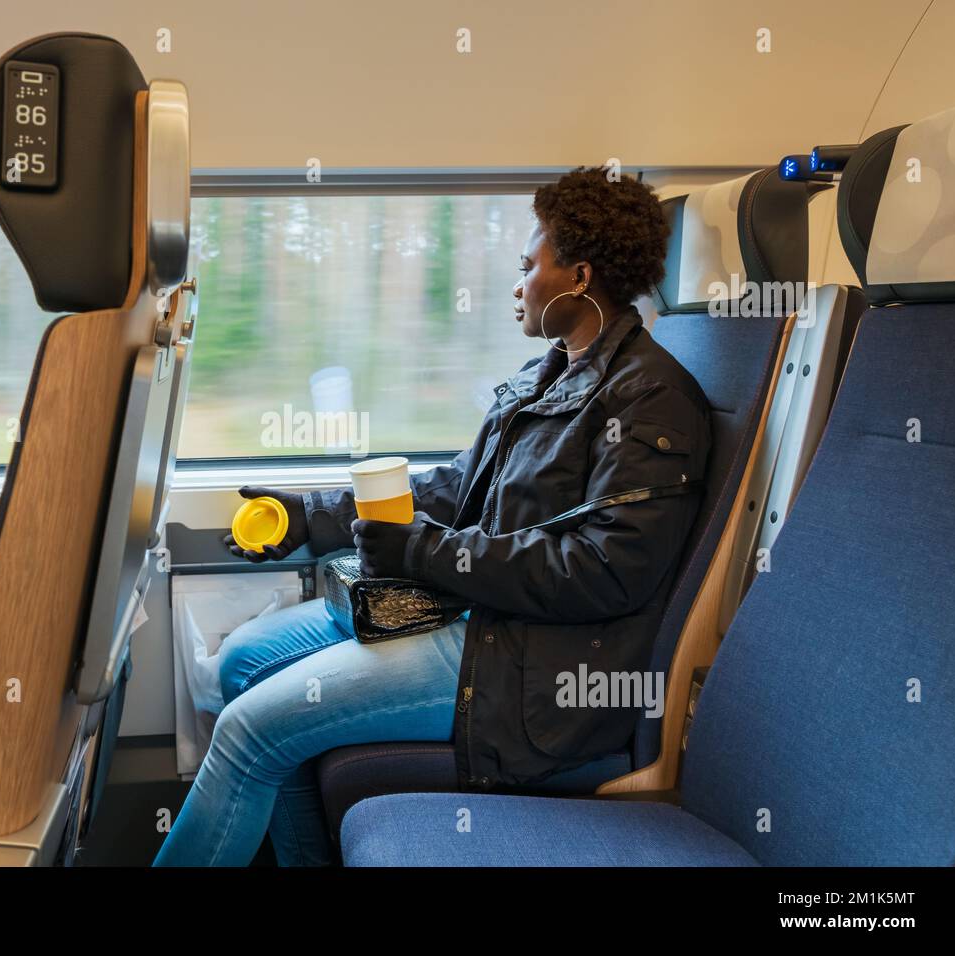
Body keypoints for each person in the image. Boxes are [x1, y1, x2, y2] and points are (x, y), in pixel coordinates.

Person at [153, 167, 712, 866]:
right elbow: (451, 491)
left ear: (579, 275)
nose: (517, 285)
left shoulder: (649, 399)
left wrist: (424, 555)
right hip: (464, 610)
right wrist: (311, 518)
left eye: (526, 266)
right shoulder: (550, 375)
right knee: (241, 664)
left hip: (529, 663)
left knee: (246, 731)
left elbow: (603, 574)